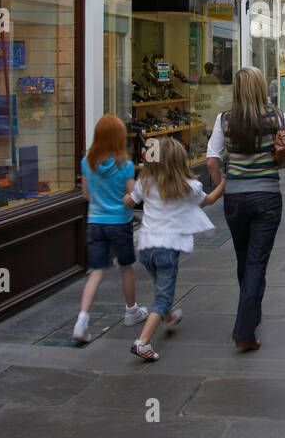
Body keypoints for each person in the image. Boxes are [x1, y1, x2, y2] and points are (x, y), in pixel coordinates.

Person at [206, 66, 285, 350]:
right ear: (262, 87)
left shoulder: (224, 119)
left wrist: (222, 183)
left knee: (244, 259)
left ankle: (250, 313)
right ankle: (245, 330)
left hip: (235, 199)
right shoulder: (277, 117)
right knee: (256, 262)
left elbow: (212, 159)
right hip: (267, 198)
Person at [125, 136, 225, 361]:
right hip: (167, 249)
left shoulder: (145, 182)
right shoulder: (188, 186)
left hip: (146, 248)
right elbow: (208, 200)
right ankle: (142, 342)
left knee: (160, 286)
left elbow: (129, 200)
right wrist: (223, 184)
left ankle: (170, 317)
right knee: (162, 296)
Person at [73, 115, 148, 343]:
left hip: (95, 222)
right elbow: (132, 197)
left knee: (96, 271)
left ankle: (82, 319)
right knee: (126, 268)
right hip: (119, 223)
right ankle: (131, 311)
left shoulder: (87, 163)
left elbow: (86, 195)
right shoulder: (124, 166)